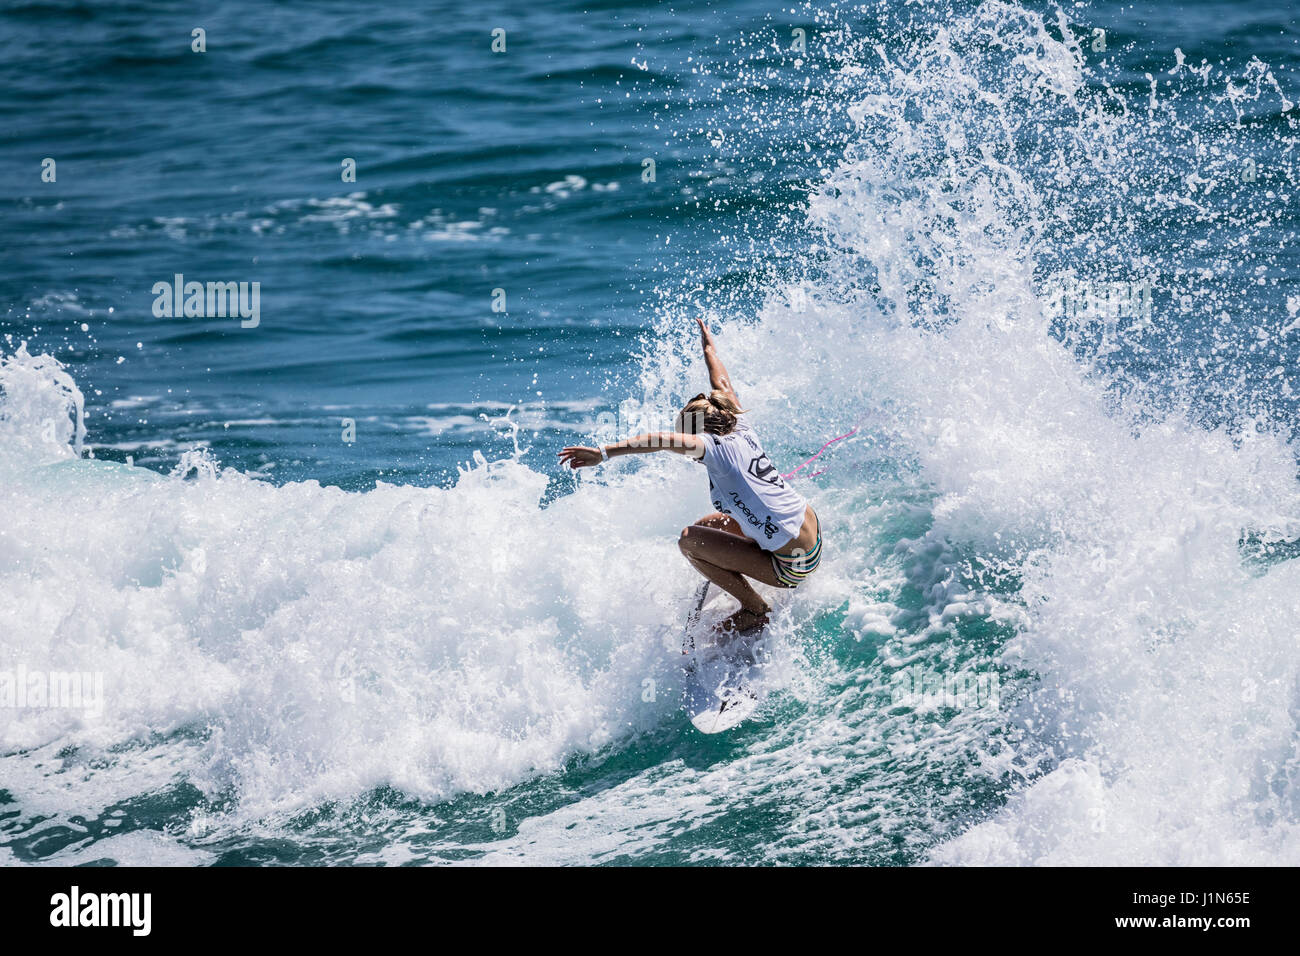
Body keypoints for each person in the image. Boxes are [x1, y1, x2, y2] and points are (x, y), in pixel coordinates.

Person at [558, 319, 822, 635]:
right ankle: (737, 562)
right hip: (812, 536)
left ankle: (754, 608)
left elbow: (658, 440)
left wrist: (602, 454)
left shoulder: (710, 448)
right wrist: (708, 346)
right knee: (709, 525)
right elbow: (720, 379)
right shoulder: (735, 419)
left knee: (689, 540)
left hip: (794, 566)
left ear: (696, 434)